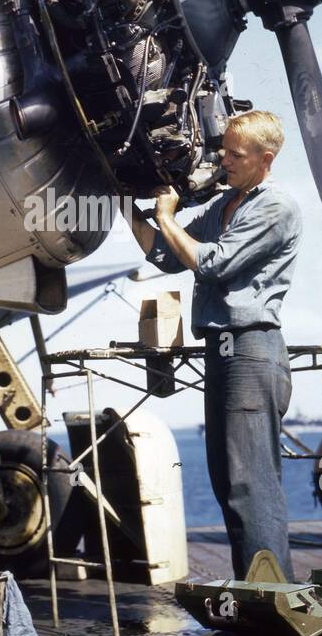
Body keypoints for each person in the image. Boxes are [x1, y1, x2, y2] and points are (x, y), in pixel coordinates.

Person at [127, 111, 301, 597]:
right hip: (223, 352)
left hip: (251, 350)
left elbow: (212, 263)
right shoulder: (228, 205)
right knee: (230, 482)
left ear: (266, 160)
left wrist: (165, 214)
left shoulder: (277, 207)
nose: (223, 161)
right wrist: (128, 208)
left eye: (235, 155)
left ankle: (275, 600)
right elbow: (167, 253)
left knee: (251, 486)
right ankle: (254, 600)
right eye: (223, 150)